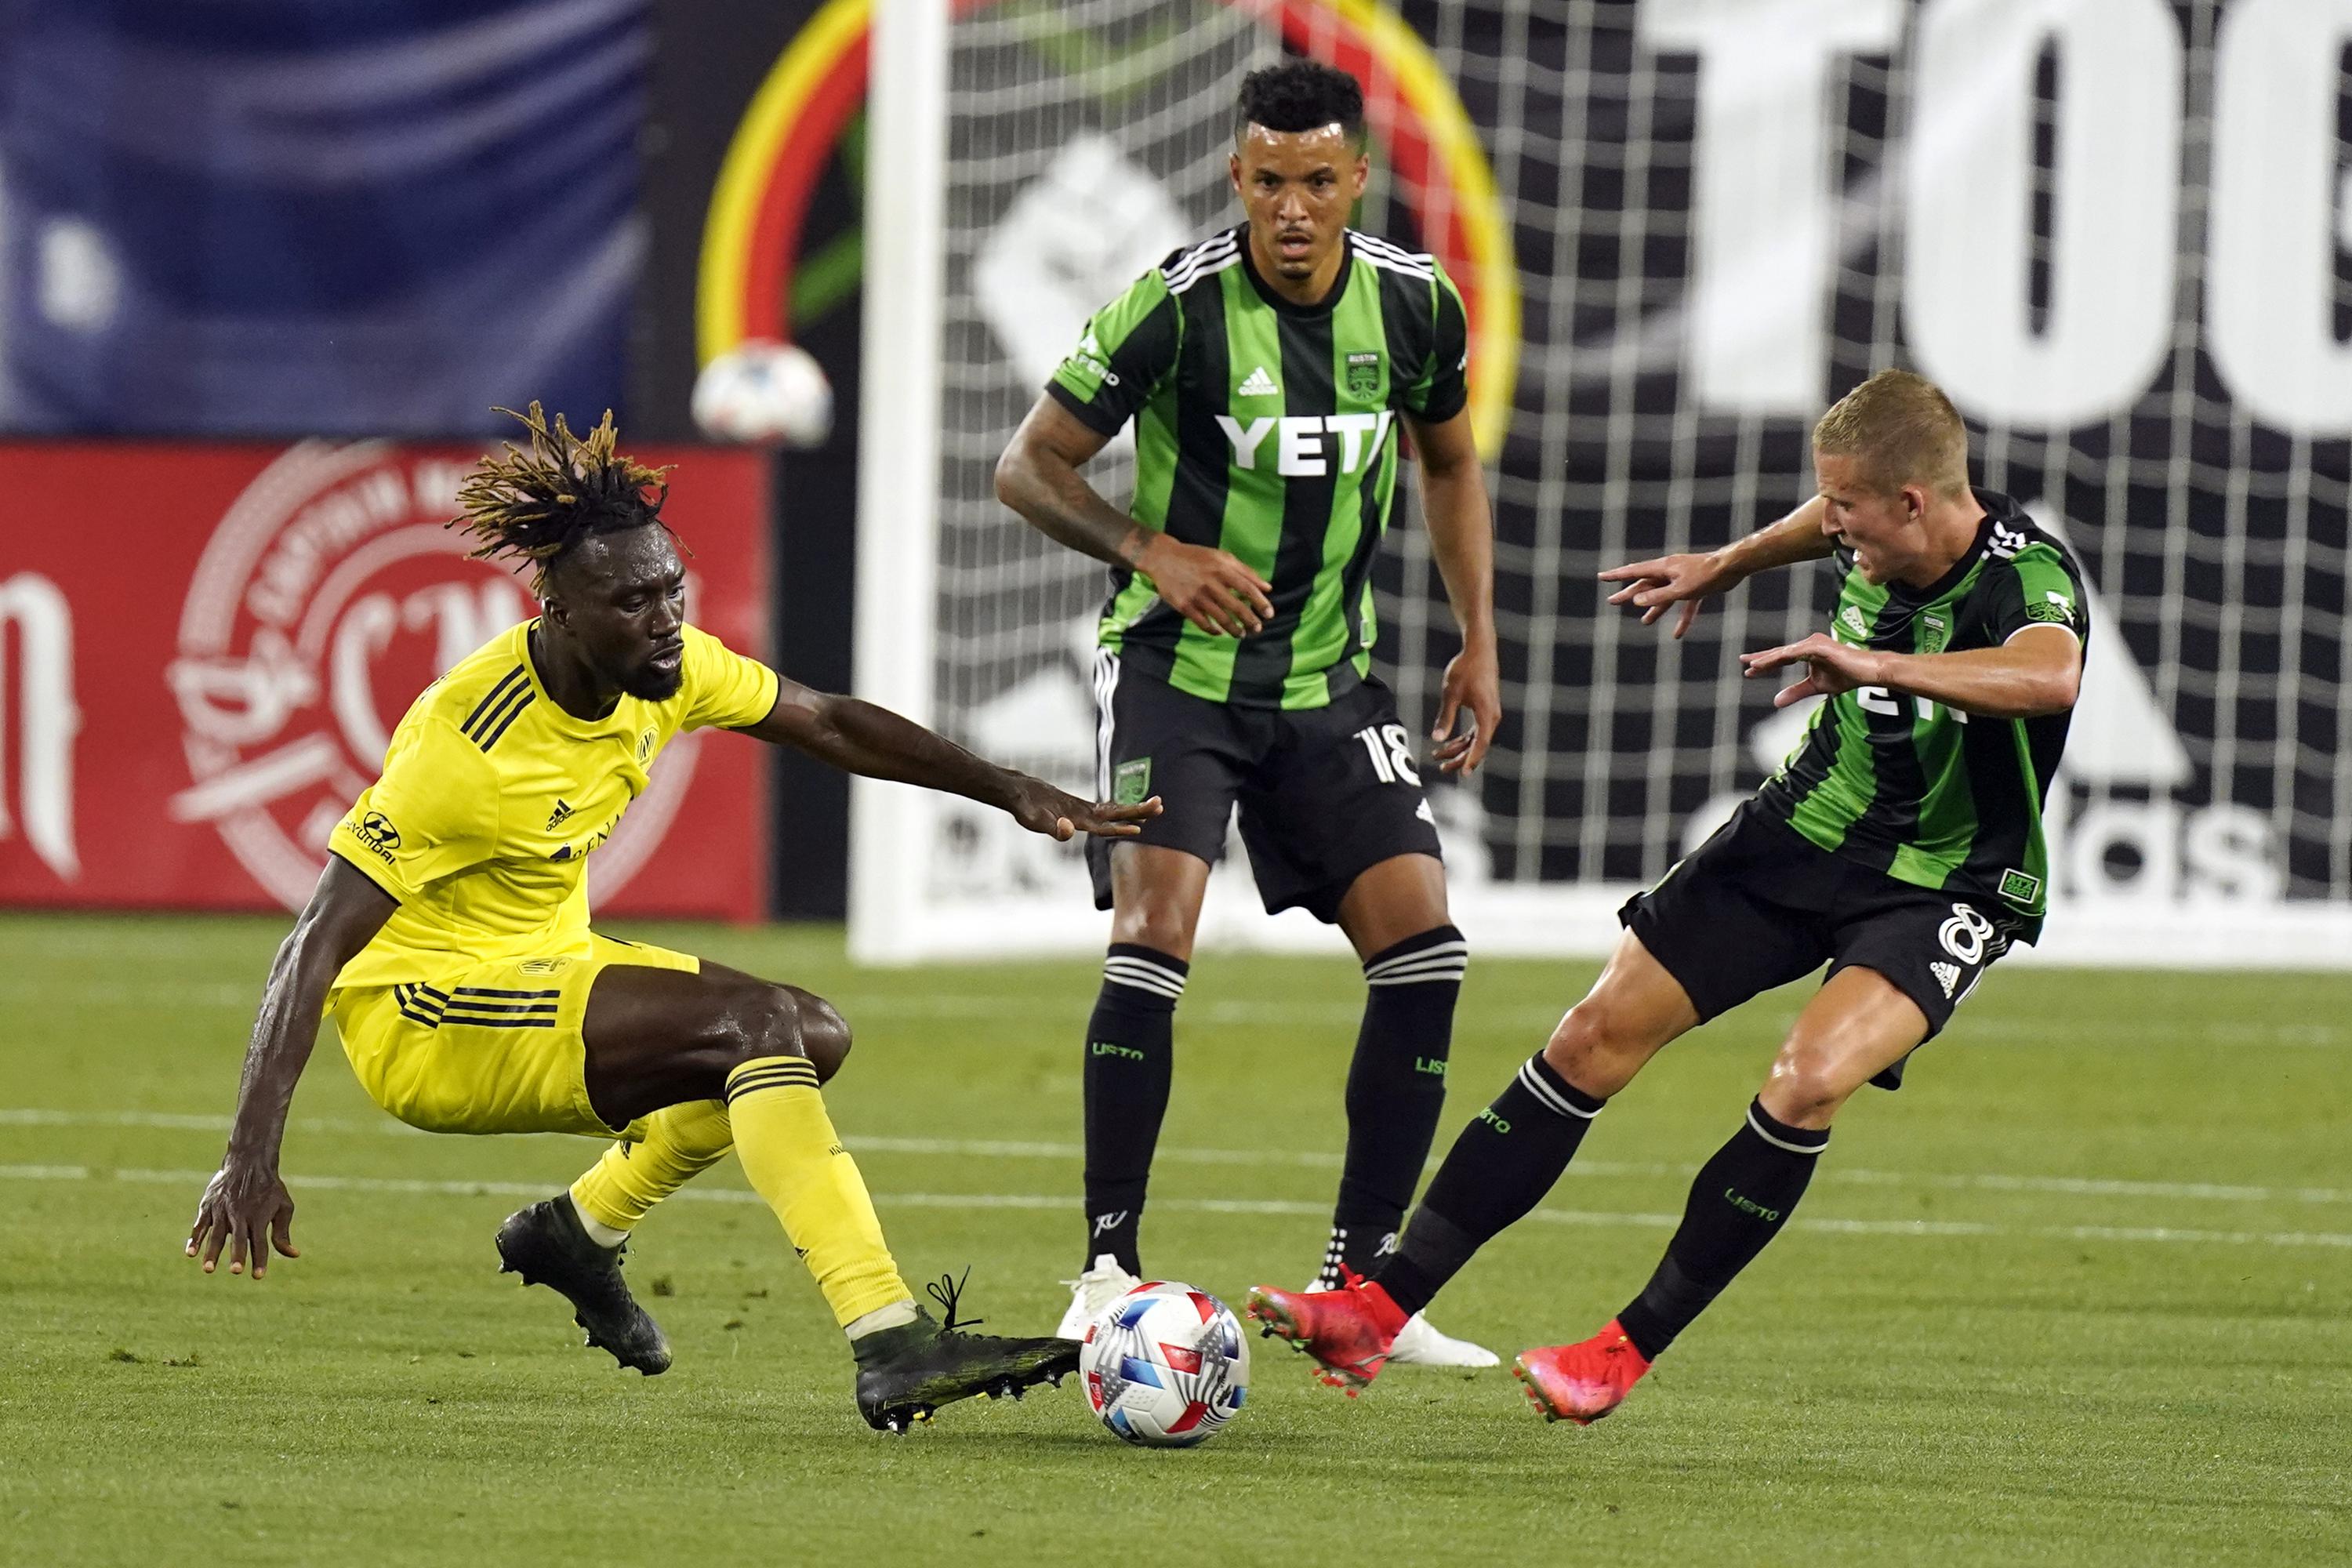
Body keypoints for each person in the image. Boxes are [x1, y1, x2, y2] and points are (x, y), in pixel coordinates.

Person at [184, 404, 1160, 1433]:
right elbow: (314, 942)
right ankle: (890, 1341)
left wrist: (1009, 788)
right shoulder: (463, 752)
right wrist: (251, 1151)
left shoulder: (671, 667)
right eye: (629, 601)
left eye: (670, 592)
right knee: (755, 1029)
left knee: (807, 1037)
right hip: (428, 1021)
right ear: (559, 612)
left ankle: (578, 1230)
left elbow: (825, 719)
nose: (661, 619)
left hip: (541, 965)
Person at [1246, 368, 2089, 1421]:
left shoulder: (2030, 578)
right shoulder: (1870, 519)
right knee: (1591, 1035)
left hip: (1943, 882)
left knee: (1808, 1078)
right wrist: (1727, 564)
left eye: (1847, 512)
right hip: (1800, 832)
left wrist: (1872, 660)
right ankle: (1378, 1310)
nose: (1832, 529)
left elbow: (2048, 678)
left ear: (1914, 504)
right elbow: (1819, 524)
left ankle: (1619, 1352)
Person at [993, 60, 1503, 1365]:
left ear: (1356, 184)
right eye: (1269, 181)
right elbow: (1027, 467)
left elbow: (1450, 462)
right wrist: (1148, 549)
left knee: (1426, 950)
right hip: (1180, 676)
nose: (1292, 208)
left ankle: (1363, 1290)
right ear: (1237, 179)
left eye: (1317, 183)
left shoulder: (1415, 305)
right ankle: (1108, 1270)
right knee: (1156, 931)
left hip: (1328, 681)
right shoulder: (1177, 307)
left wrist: (1478, 643)